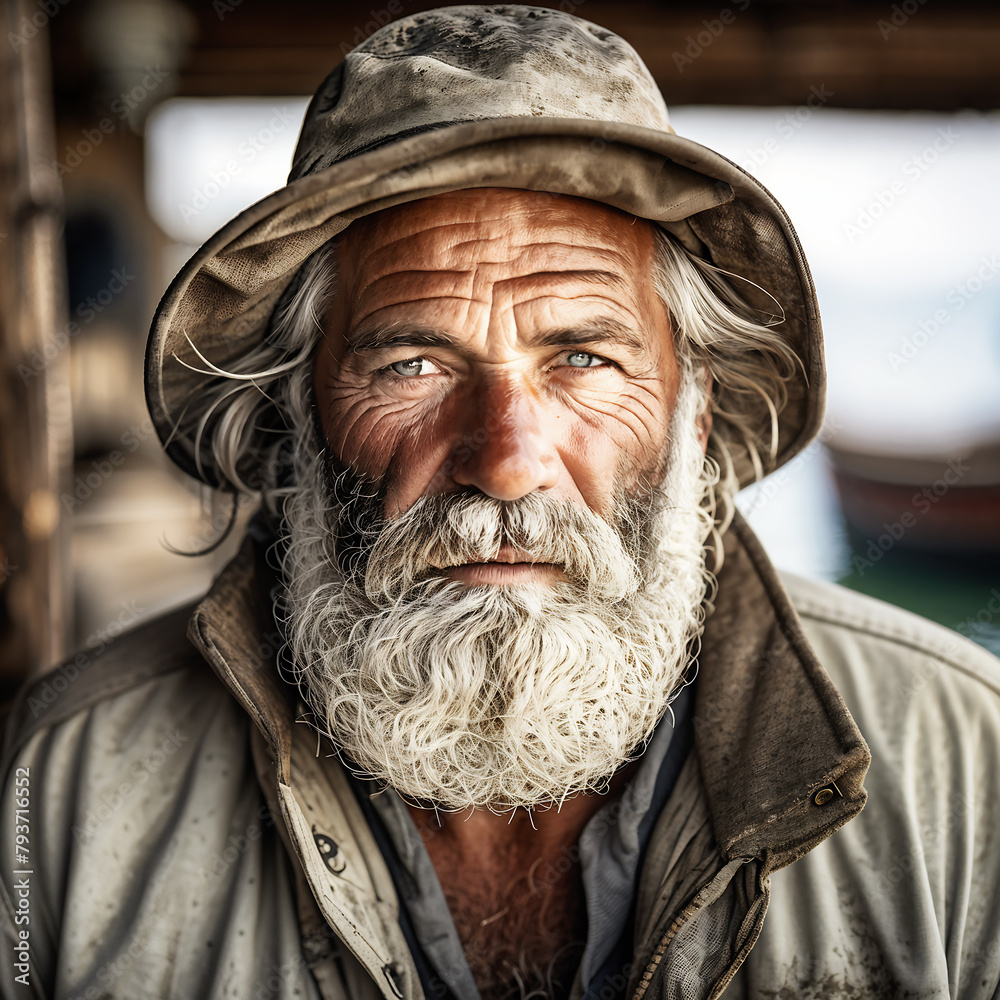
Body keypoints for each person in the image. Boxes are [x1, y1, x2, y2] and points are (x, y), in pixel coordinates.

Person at [3, 6, 1000, 999]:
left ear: (692, 409)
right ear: (296, 411)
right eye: (412, 363)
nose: (508, 464)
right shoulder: (72, 782)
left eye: (583, 359)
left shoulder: (958, 763)